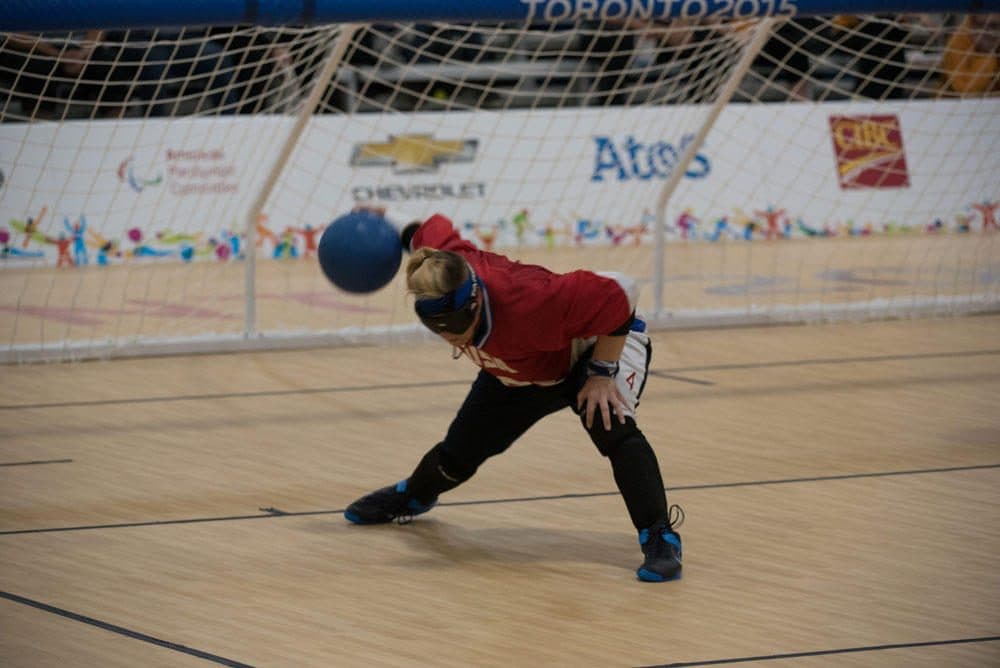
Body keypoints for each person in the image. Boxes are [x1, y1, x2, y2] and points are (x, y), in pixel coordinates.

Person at [343, 210, 684, 582]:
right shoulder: (442, 261)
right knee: (457, 455)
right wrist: (382, 226)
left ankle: (659, 535)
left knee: (612, 428)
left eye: (460, 329)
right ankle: (413, 496)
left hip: (594, 348)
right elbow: (419, 232)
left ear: (474, 302)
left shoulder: (532, 301)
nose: (456, 341)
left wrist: (602, 373)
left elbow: (623, 291)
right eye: (443, 334)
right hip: (521, 368)